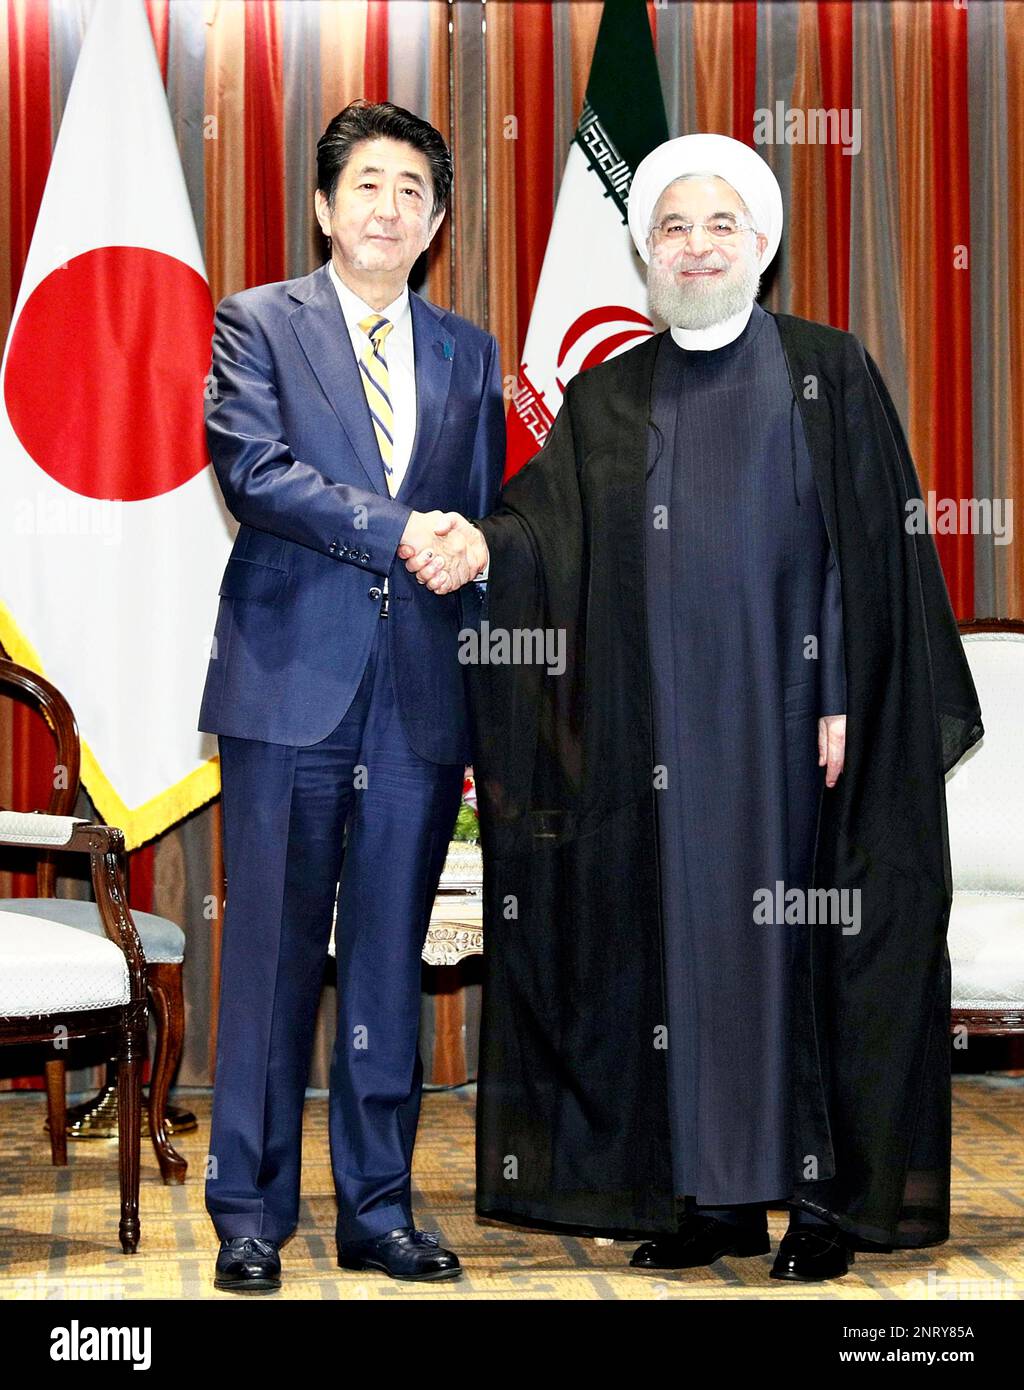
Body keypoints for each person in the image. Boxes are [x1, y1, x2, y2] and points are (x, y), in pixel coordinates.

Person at [402, 133, 983, 1282]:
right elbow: (542, 536)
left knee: (801, 966)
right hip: (655, 745)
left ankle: (824, 1205)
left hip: (795, 737)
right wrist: (479, 542)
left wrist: (839, 697)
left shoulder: (828, 369)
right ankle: (708, 1201)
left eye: (720, 224)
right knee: (683, 970)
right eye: (672, 226)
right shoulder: (612, 395)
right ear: (645, 255)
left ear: (759, 246)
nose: (696, 244)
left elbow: (862, 552)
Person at [198, 99, 504, 1292]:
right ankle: (249, 1212)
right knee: (271, 959)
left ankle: (378, 1207)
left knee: (384, 962)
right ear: (324, 206)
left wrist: (474, 544)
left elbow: (482, 508)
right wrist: (401, 528)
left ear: (434, 223)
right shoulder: (255, 324)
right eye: (367, 185)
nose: (390, 207)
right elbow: (255, 471)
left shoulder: (469, 352)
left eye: (413, 191)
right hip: (289, 692)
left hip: (418, 698)